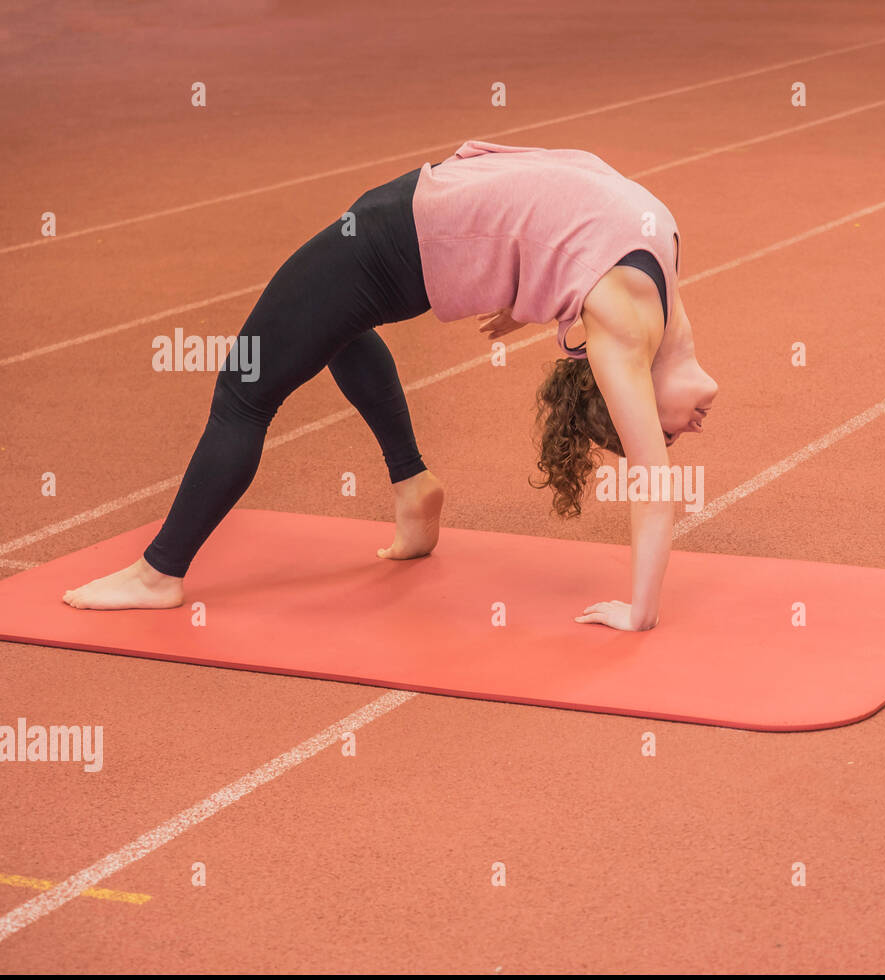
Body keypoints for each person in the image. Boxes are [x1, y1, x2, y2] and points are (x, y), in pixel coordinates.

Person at [62, 141, 718, 631]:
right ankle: (411, 484)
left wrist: (640, 611)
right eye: (665, 430)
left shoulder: (640, 294)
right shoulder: (636, 306)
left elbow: (652, 488)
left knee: (245, 383)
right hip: (405, 228)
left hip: (401, 232)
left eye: (661, 432)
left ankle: (160, 573)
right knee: (330, 328)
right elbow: (574, 208)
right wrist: (526, 295)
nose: (681, 430)